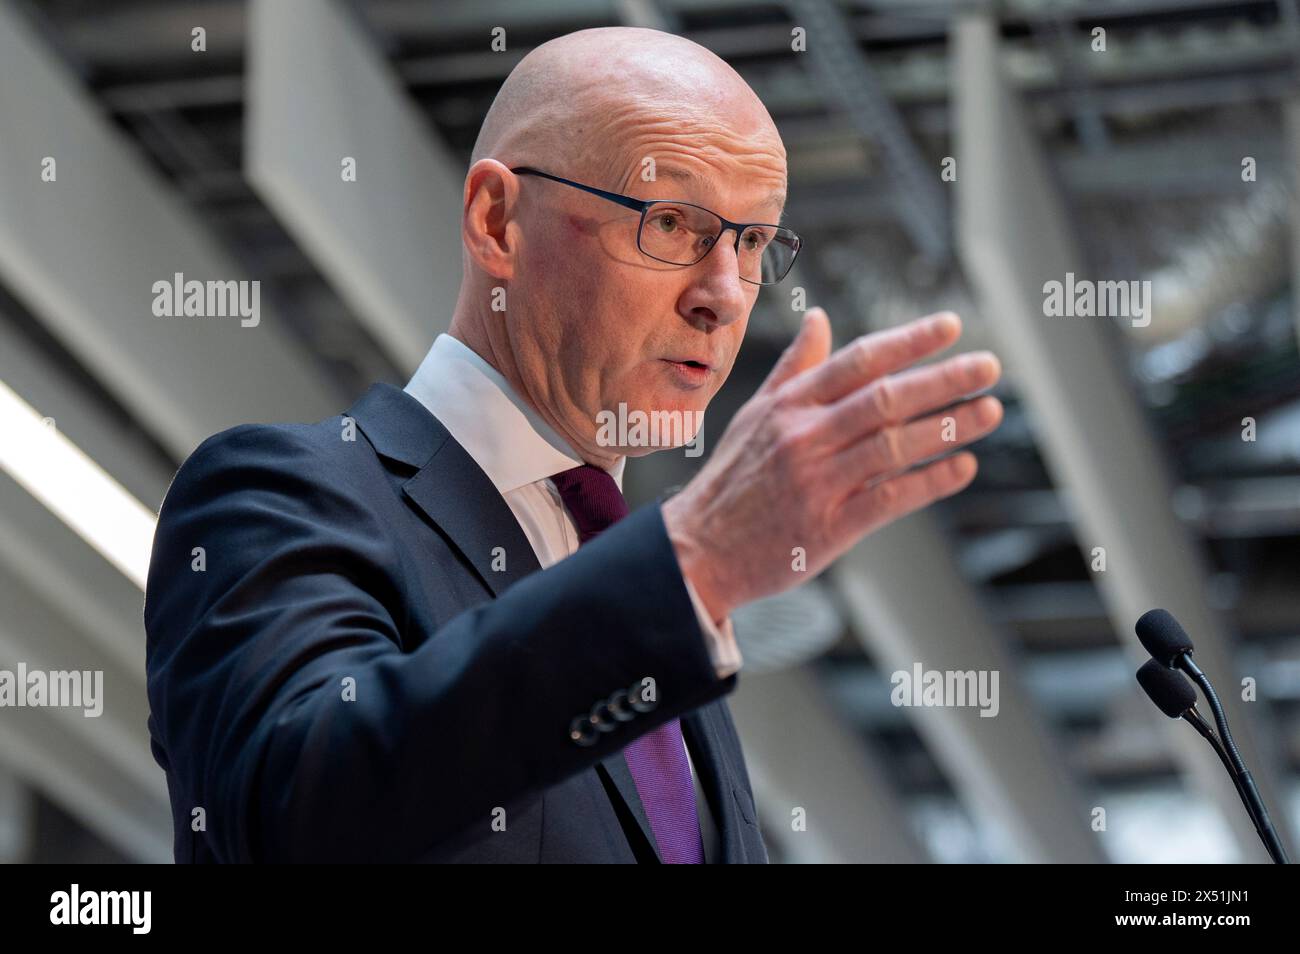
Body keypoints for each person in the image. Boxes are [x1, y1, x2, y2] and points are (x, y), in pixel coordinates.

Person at [144, 26, 1003, 863]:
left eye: (750, 243)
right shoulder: (278, 492)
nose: (727, 296)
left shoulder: (659, 622)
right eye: (671, 222)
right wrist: (694, 562)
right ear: (496, 221)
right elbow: (292, 813)